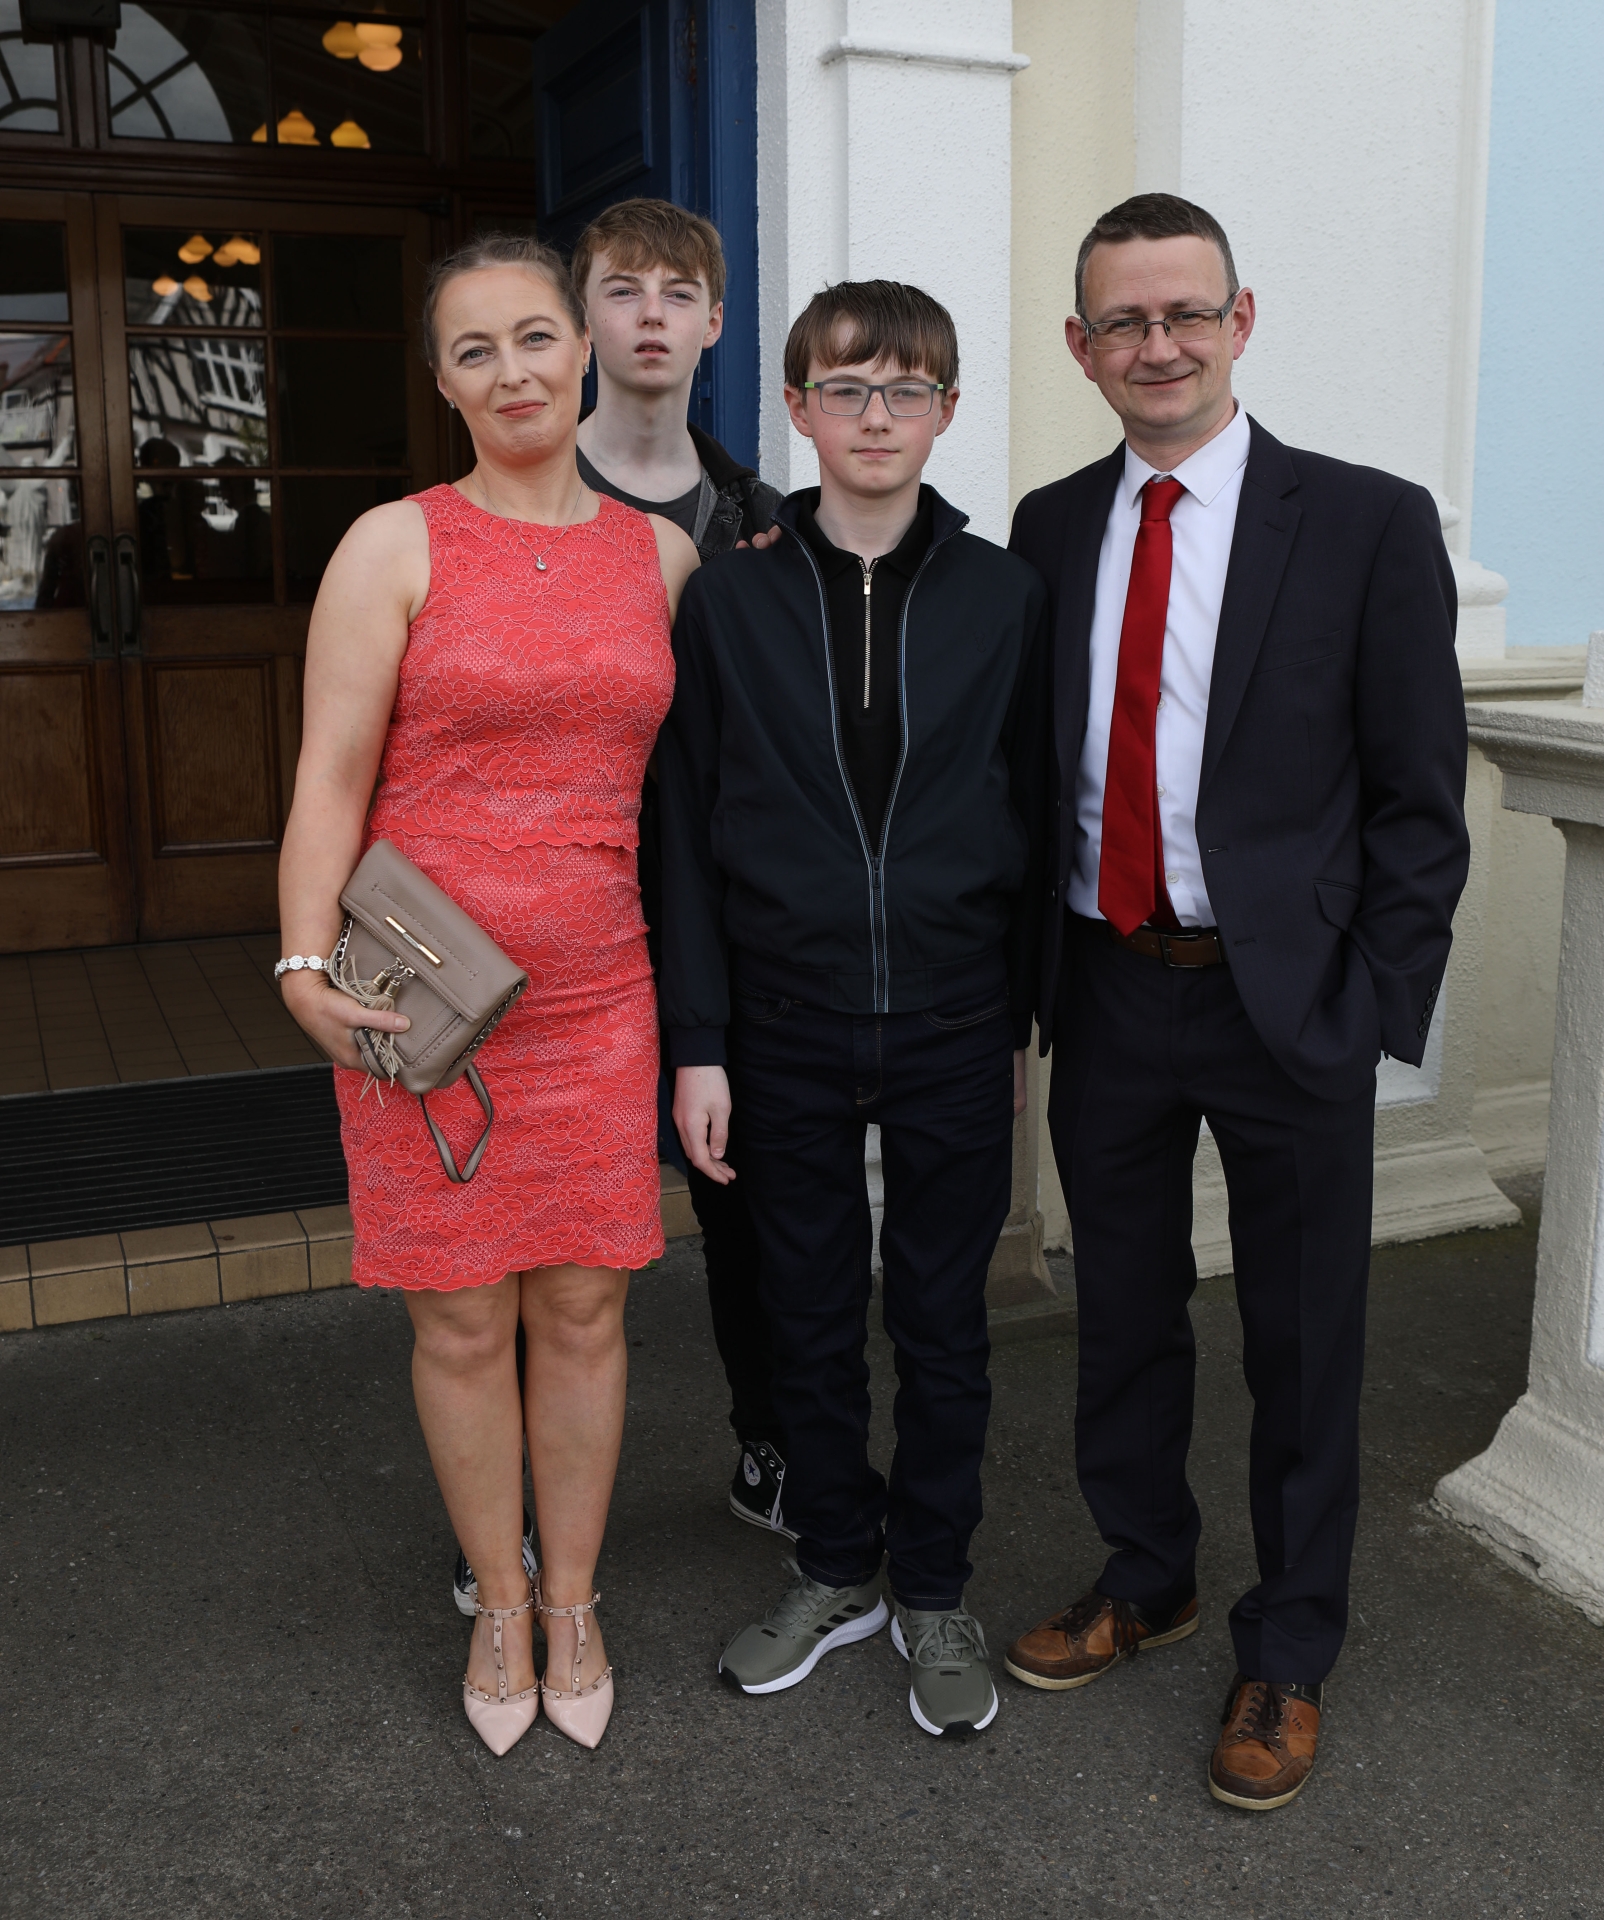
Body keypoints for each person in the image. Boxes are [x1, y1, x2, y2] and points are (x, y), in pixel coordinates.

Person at [1004, 193, 1468, 1809]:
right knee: (1121, 1314)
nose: (1158, 344)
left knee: (1304, 1341)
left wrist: (1374, 1004)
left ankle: (1290, 1646)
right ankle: (1150, 1575)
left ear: (1241, 318)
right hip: (1108, 984)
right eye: (1124, 321)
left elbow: (1419, 799)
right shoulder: (1050, 525)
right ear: (1081, 346)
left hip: (1289, 1008)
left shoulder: (1363, 520)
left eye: (1186, 313)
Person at [276, 232, 697, 1757]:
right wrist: (300, 965)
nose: (513, 370)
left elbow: (698, 805)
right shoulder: (395, 544)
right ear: (442, 380)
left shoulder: (659, 556)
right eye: (475, 350)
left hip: (600, 997)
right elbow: (329, 780)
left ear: (585, 348)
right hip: (422, 998)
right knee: (458, 1321)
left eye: (535, 337)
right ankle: (500, 1606)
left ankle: (573, 1597)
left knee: (586, 1305)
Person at [661, 281, 1050, 1738]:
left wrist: (1019, 1022)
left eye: (904, 389)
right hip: (784, 1021)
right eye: (845, 388)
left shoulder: (1007, 595)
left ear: (946, 410)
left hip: (953, 1022)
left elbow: (1039, 813)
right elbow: (685, 829)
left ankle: (934, 1582)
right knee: (807, 1311)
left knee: (945, 1322)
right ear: (797, 409)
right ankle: (837, 1567)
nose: (875, 415)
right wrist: (699, 1040)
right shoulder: (735, 595)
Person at [569, 196, 792, 1538]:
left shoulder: (761, 516)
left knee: (743, 1197)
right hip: (565, 904)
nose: (651, 315)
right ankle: (537, 1486)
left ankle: (766, 1441)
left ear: (714, 322)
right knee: (555, 1225)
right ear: (582, 314)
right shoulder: (518, 504)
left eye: (678, 292)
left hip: (721, 908)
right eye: (623, 289)